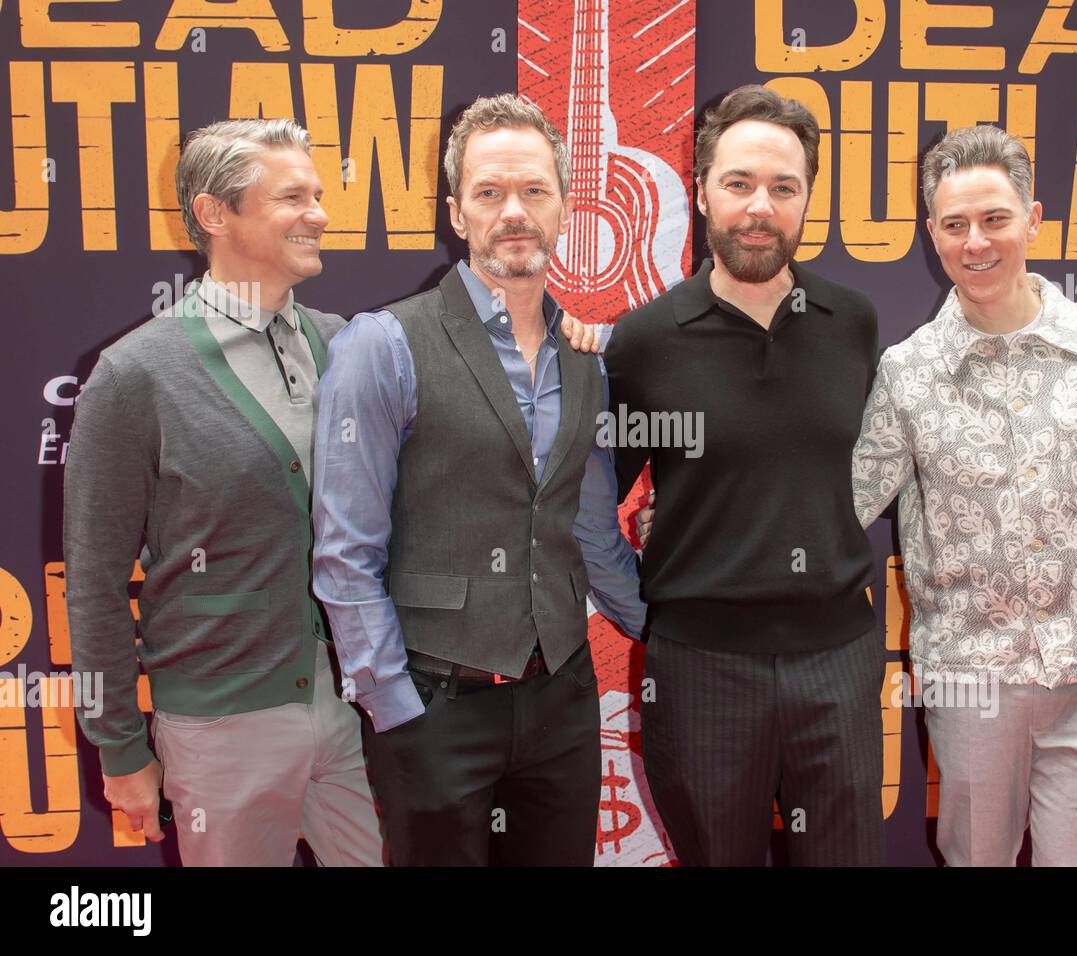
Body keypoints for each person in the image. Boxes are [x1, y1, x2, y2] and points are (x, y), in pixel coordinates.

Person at [850, 124, 1077, 865]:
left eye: (995, 219)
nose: (976, 242)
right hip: (971, 684)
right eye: (955, 225)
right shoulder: (908, 371)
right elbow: (838, 505)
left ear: (1034, 219)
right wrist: (705, 516)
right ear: (932, 234)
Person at [311, 94, 644, 866]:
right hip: (433, 704)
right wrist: (394, 707)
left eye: (534, 191)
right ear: (457, 213)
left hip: (562, 701)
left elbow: (590, 530)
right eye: (489, 193)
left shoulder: (586, 359)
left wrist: (661, 623)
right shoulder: (383, 344)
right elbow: (344, 553)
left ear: (565, 206)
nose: (514, 212)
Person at [62, 118, 382, 865]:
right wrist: (119, 750)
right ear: (214, 214)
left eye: (320, 194)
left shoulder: (347, 343)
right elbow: (95, 582)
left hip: (362, 712)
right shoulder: (134, 375)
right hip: (220, 727)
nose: (321, 215)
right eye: (292, 196)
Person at [603, 86, 886, 866]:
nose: (760, 207)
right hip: (699, 672)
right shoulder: (644, 339)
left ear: (806, 200)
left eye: (783, 188)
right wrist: (649, 610)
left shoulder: (853, 323)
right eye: (738, 184)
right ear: (701, 192)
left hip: (840, 658)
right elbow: (595, 503)